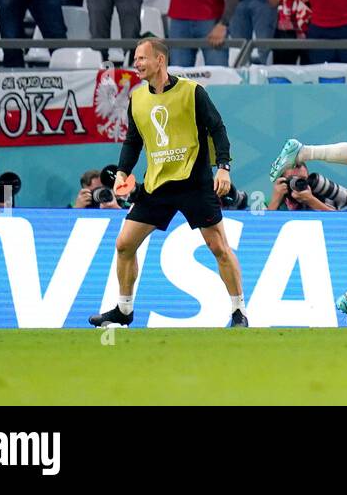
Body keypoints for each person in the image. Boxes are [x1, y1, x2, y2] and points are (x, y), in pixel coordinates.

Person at [89, 37, 247, 329]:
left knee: (219, 247)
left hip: (194, 182)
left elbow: (218, 128)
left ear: (159, 60)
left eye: (141, 58)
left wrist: (223, 168)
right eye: (135, 58)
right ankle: (124, 311)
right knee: (124, 245)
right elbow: (133, 140)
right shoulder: (137, 98)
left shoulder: (192, 92)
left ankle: (239, 312)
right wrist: (123, 171)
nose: (136, 63)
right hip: (157, 185)